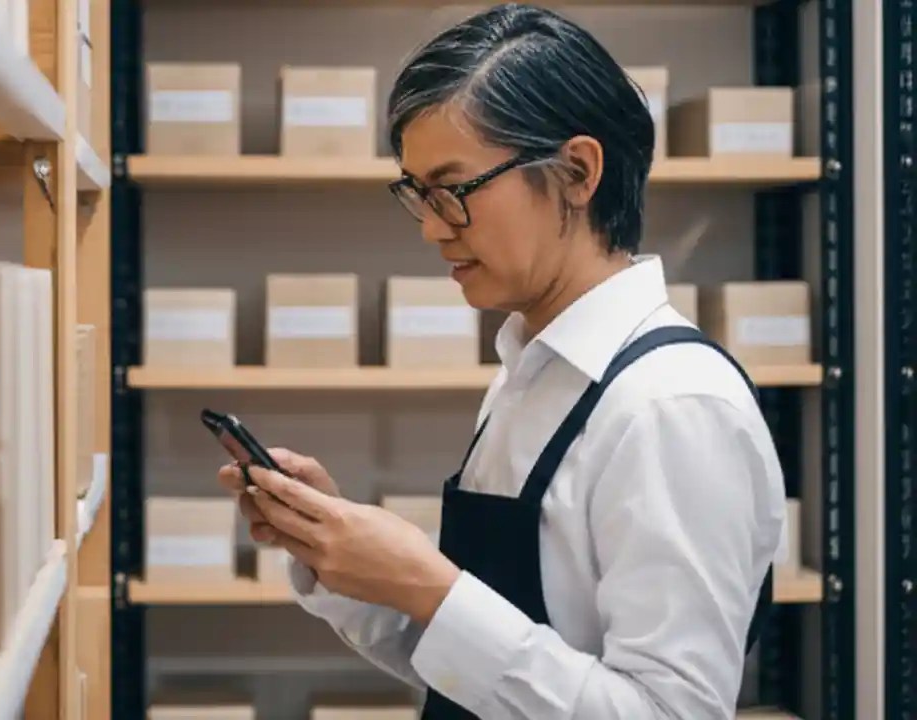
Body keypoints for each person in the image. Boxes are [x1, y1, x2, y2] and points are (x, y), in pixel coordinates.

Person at [217, 4, 786, 719]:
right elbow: (471, 670)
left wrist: (431, 585)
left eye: (453, 192)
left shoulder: (672, 408)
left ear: (577, 170)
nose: (429, 227)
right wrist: (341, 557)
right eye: (417, 194)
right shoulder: (529, 372)